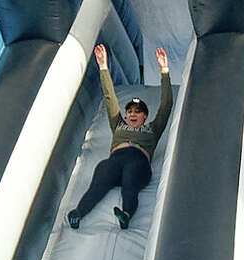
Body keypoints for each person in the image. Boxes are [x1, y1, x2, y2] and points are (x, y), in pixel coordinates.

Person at [67, 44, 172, 231]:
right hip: (116, 160)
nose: (132, 114)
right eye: (129, 111)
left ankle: (126, 215)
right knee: (100, 180)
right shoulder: (118, 124)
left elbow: (166, 105)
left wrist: (164, 71)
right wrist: (103, 67)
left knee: (130, 184)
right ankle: (78, 213)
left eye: (137, 112)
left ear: (145, 117)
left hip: (138, 161)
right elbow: (110, 99)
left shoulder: (153, 129)